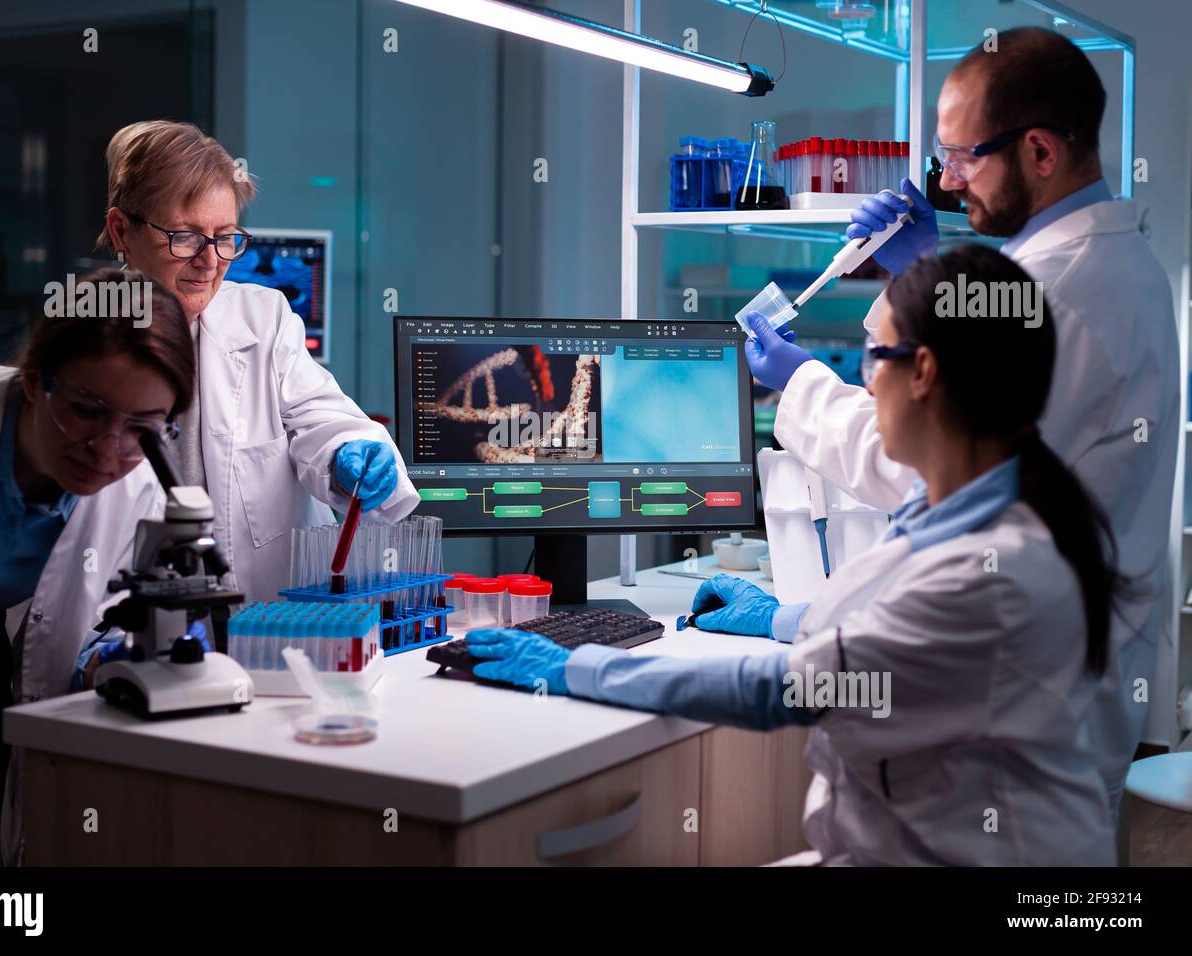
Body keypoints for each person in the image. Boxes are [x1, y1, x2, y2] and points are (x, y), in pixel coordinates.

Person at [467, 246, 1119, 866]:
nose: (864, 383)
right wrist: (779, 617)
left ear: (922, 374)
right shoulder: (976, 504)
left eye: (872, 359)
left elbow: (778, 689)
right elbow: (891, 633)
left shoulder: (995, 569)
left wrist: (577, 668)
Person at [737, 27, 1177, 816]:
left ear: (1040, 153)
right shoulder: (1111, 257)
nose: (944, 181)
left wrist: (799, 384)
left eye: (963, 157)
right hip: (1058, 678)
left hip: (1023, 702)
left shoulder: (1057, 288)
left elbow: (918, 461)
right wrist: (923, 277)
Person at [83, 120, 419, 679]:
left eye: (226, 237)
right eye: (184, 236)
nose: (209, 260)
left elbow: (317, 415)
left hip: (266, 634)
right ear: (122, 231)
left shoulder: (262, 319)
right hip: (128, 639)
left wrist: (346, 450)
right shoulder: (83, 346)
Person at [0, 269, 195, 865]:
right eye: (86, 411)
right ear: (35, 380)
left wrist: (110, 663)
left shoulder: (145, 499)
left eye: (143, 429)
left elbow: (104, 618)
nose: (109, 452)